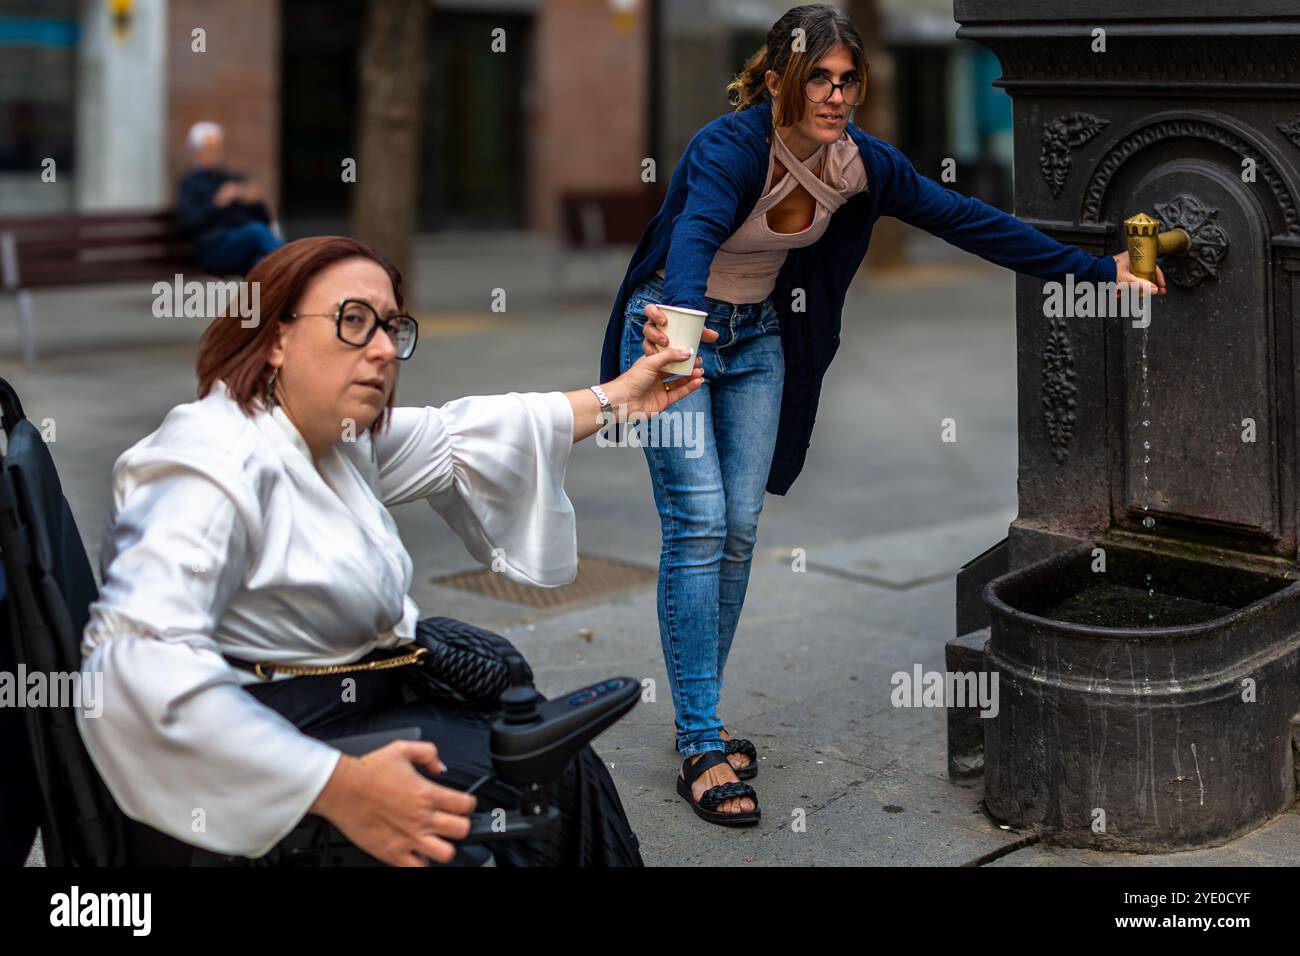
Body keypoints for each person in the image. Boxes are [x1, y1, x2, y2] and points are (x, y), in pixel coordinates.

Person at [597, 3, 1166, 825]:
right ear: (774, 81)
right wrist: (673, 351)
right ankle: (698, 742)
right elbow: (688, 243)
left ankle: (702, 719)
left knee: (742, 529)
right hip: (670, 337)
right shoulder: (728, 148)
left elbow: (969, 220)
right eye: (818, 79)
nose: (834, 96)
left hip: (757, 343)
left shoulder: (859, 164)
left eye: (847, 80)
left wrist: (1095, 268)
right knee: (699, 523)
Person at [76, 235, 705, 866]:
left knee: (565, 771)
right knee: (525, 801)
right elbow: (134, 665)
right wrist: (336, 784)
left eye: (390, 326)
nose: (381, 349)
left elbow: (467, 433)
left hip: (353, 706)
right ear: (273, 337)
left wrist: (623, 395)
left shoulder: (331, 434)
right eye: (352, 322)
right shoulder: (206, 466)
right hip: (272, 754)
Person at [176, 121, 284, 276]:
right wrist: (217, 203)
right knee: (256, 231)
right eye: (210, 149)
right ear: (197, 152)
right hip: (213, 249)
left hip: (245, 246)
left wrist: (255, 202)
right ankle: (294, 265)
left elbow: (264, 219)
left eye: (218, 149)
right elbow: (189, 224)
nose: (216, 154)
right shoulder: (190, 183)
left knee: (261, 263)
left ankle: (286, 286)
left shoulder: (232, 178)